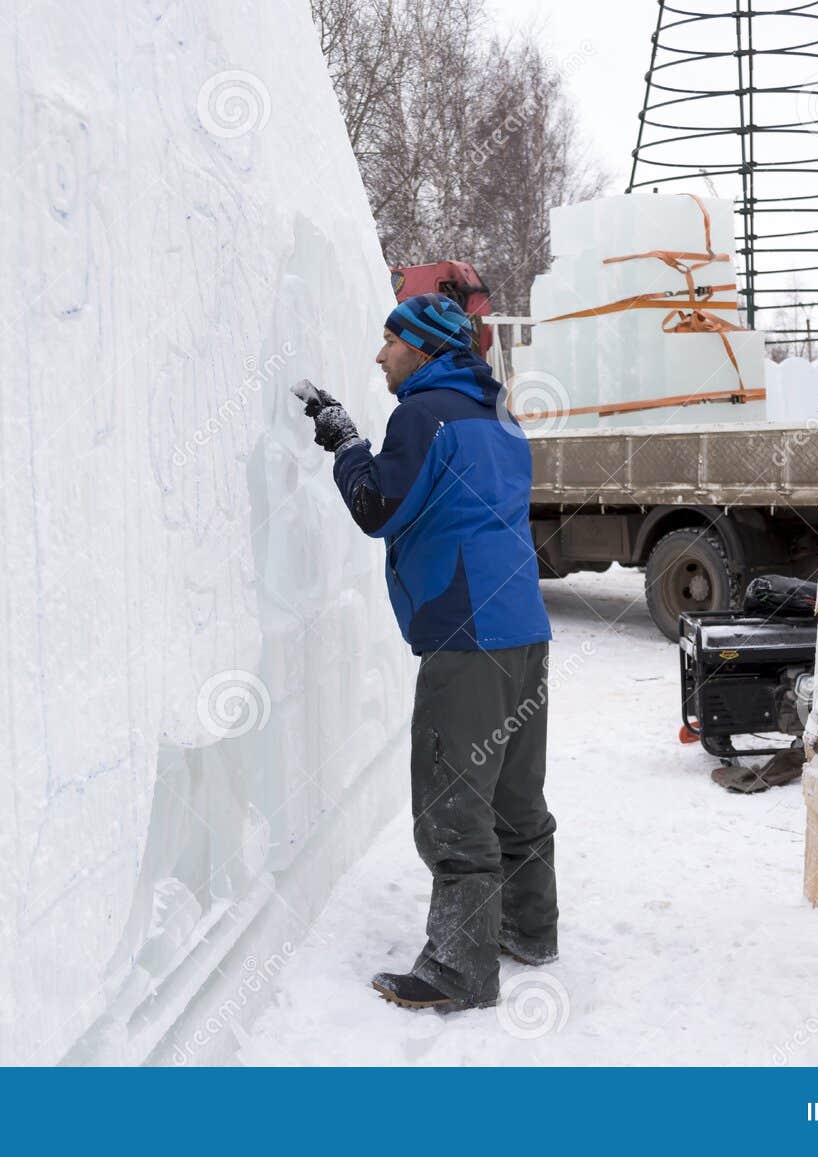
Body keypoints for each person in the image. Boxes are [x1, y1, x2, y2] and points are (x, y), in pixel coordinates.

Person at [299, 292, 558, 1012]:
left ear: (425, 347)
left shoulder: (422, 413)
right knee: (513, 791)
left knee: (452, 800)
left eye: (390, 340)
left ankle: (459, 966)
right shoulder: (498, 414)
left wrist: (348, 444)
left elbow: (380, 507)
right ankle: (531, 930)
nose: (380, 355)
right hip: (522, 627)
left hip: (465, 633)